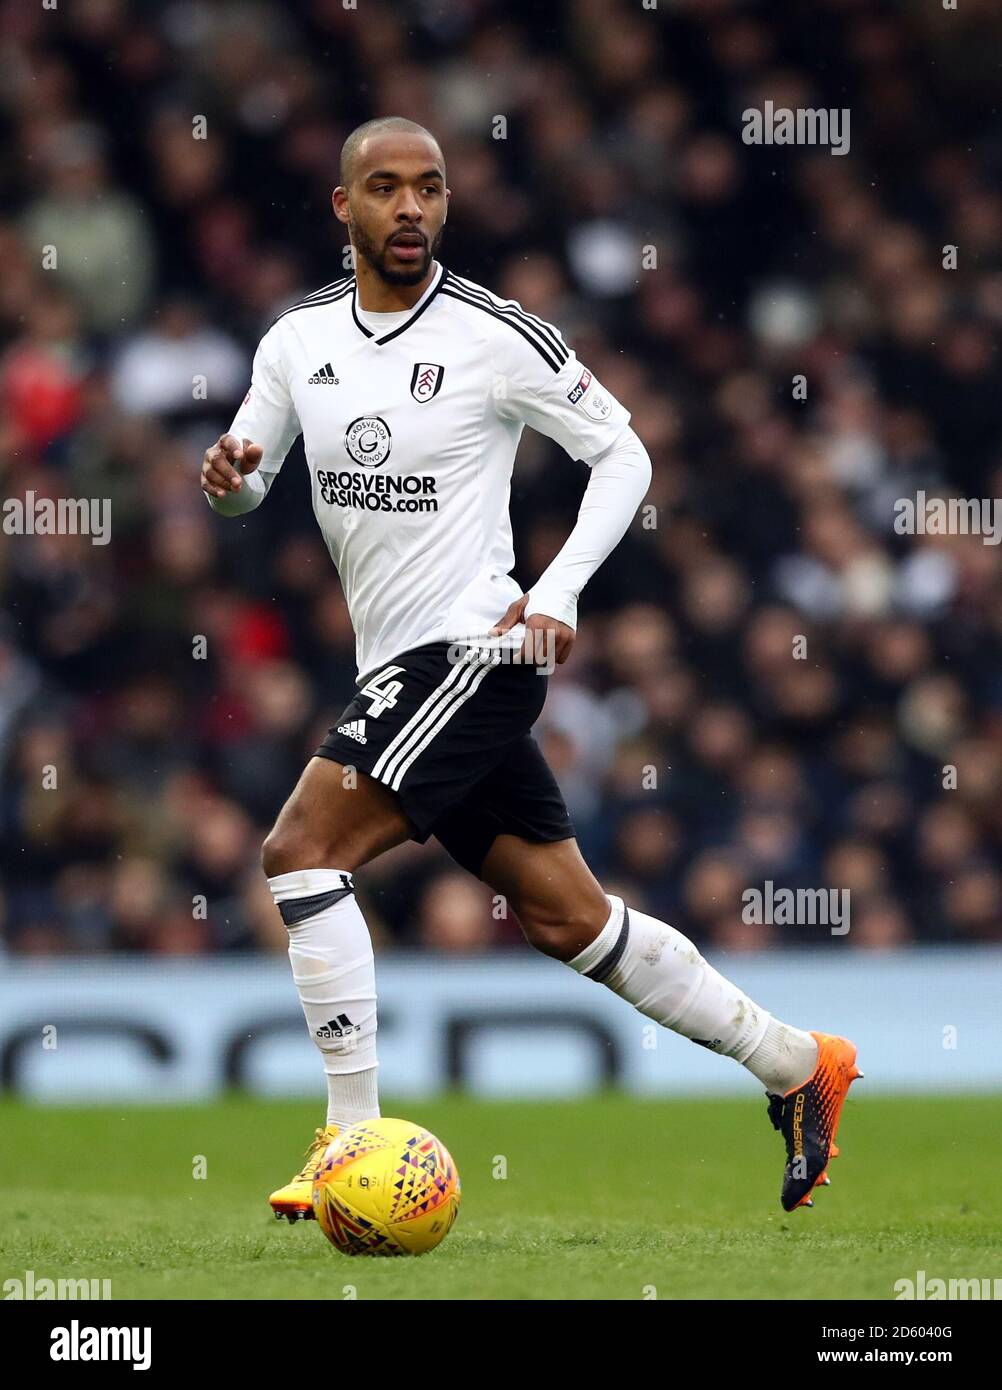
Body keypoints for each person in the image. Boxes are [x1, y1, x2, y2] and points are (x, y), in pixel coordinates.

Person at [200, 117, 861, 1220]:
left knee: (300, 851)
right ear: (343, 206)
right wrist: (226, 480)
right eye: (386, 189)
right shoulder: (292, 342)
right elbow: (247, 485)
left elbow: (625, 452)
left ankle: (348, 1136)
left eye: (431, 188)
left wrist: (553, 592)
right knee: (571, 919)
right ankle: (800, 1064)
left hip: (475, 651)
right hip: (397, 663)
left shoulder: (497, 336)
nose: (411, 208)